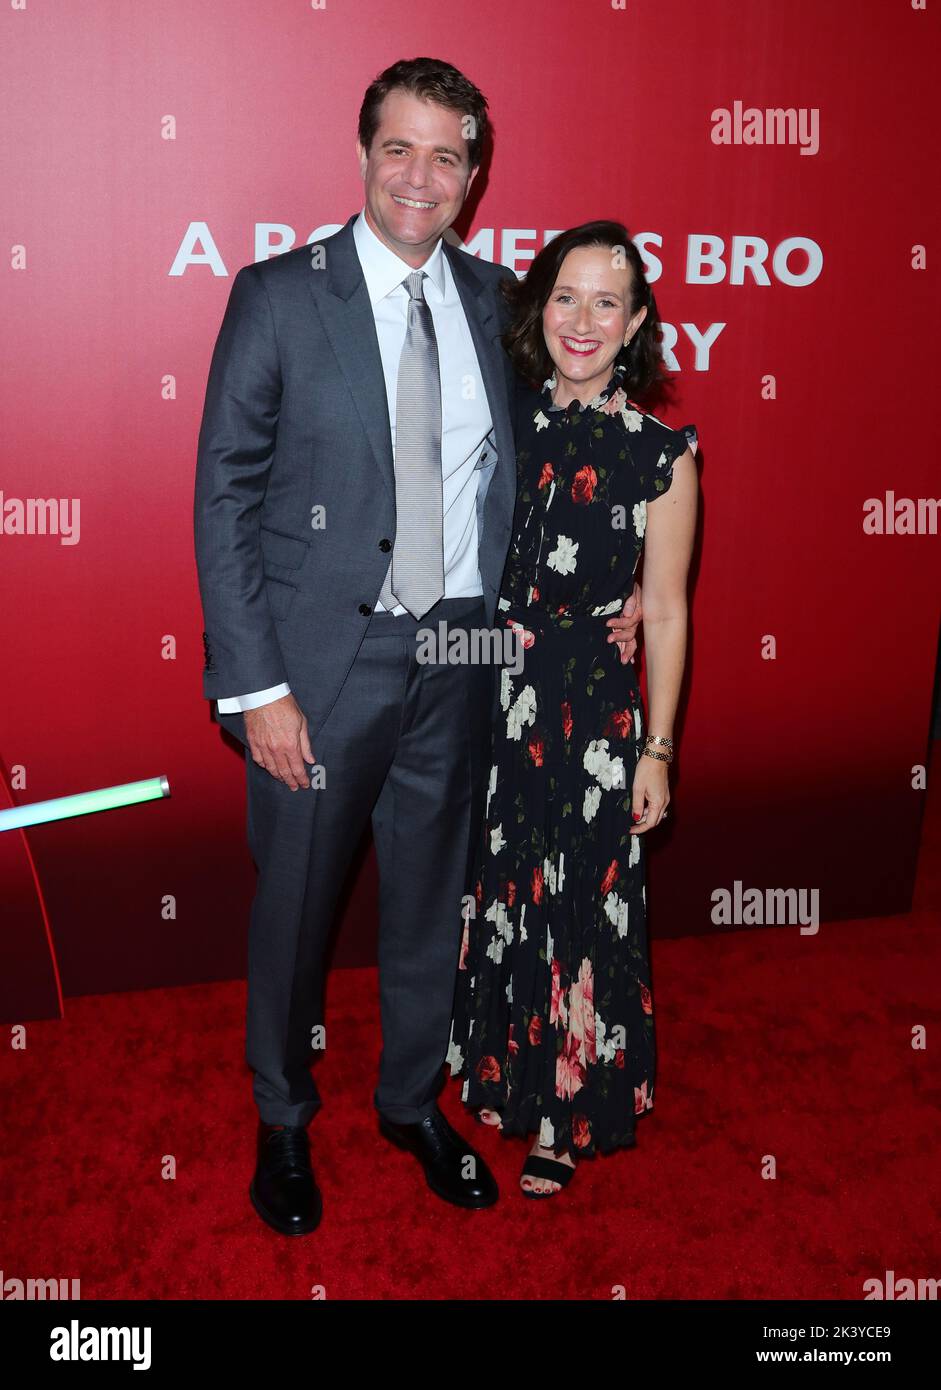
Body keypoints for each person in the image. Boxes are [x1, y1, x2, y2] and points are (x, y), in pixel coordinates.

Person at [193, 59, 643, 1235]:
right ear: (361, 154)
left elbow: (562, 451)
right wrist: (258, 688)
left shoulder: (499, 301)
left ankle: (407, 1100)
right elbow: (224, 495)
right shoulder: (279, 294)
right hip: (314, 672)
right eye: (400, 147)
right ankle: (283, 1119)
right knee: (293, 909)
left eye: (447, 154)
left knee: (430, 904)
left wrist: (627, 581)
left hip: (459, 659)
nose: (420, 174)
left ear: (474, 175)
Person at [447, 221, 699, 1196]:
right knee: (503, 885)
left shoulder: (661, 457)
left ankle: (561, 1108)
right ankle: (495, 1060)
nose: (581, 319)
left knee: (578, 903)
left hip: (595, 713)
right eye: (564, 295)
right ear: (537, 308)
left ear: (634, 322)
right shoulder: (497, 425)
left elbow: (668, 609)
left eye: (606, 302)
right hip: (497, 699)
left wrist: (659, 750)